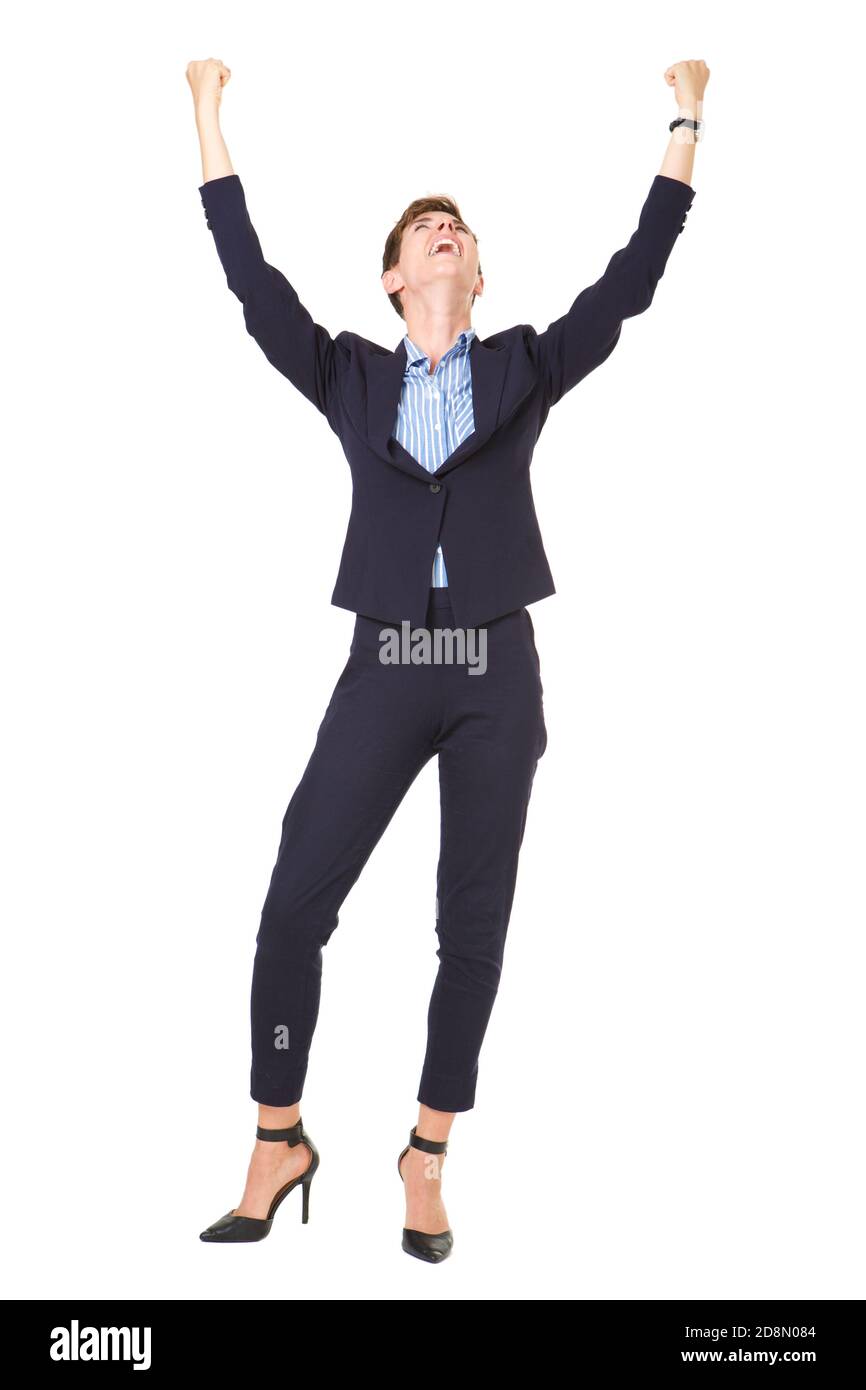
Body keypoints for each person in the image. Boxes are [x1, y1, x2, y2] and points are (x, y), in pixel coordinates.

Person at [187, 55, 709, 1262]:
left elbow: (628, 284)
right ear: (393, 276)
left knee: (469, 924)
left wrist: (683, 125)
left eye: (456, 230)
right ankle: (278, 1135)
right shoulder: (351, 375)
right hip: (384, 658)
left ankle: (427, 1153)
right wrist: (207, 114)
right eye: (423, 229)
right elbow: (251, 285)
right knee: (292, 898)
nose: (441, 233)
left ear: (472, 276)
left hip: (492, 672)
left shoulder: (521, 365)